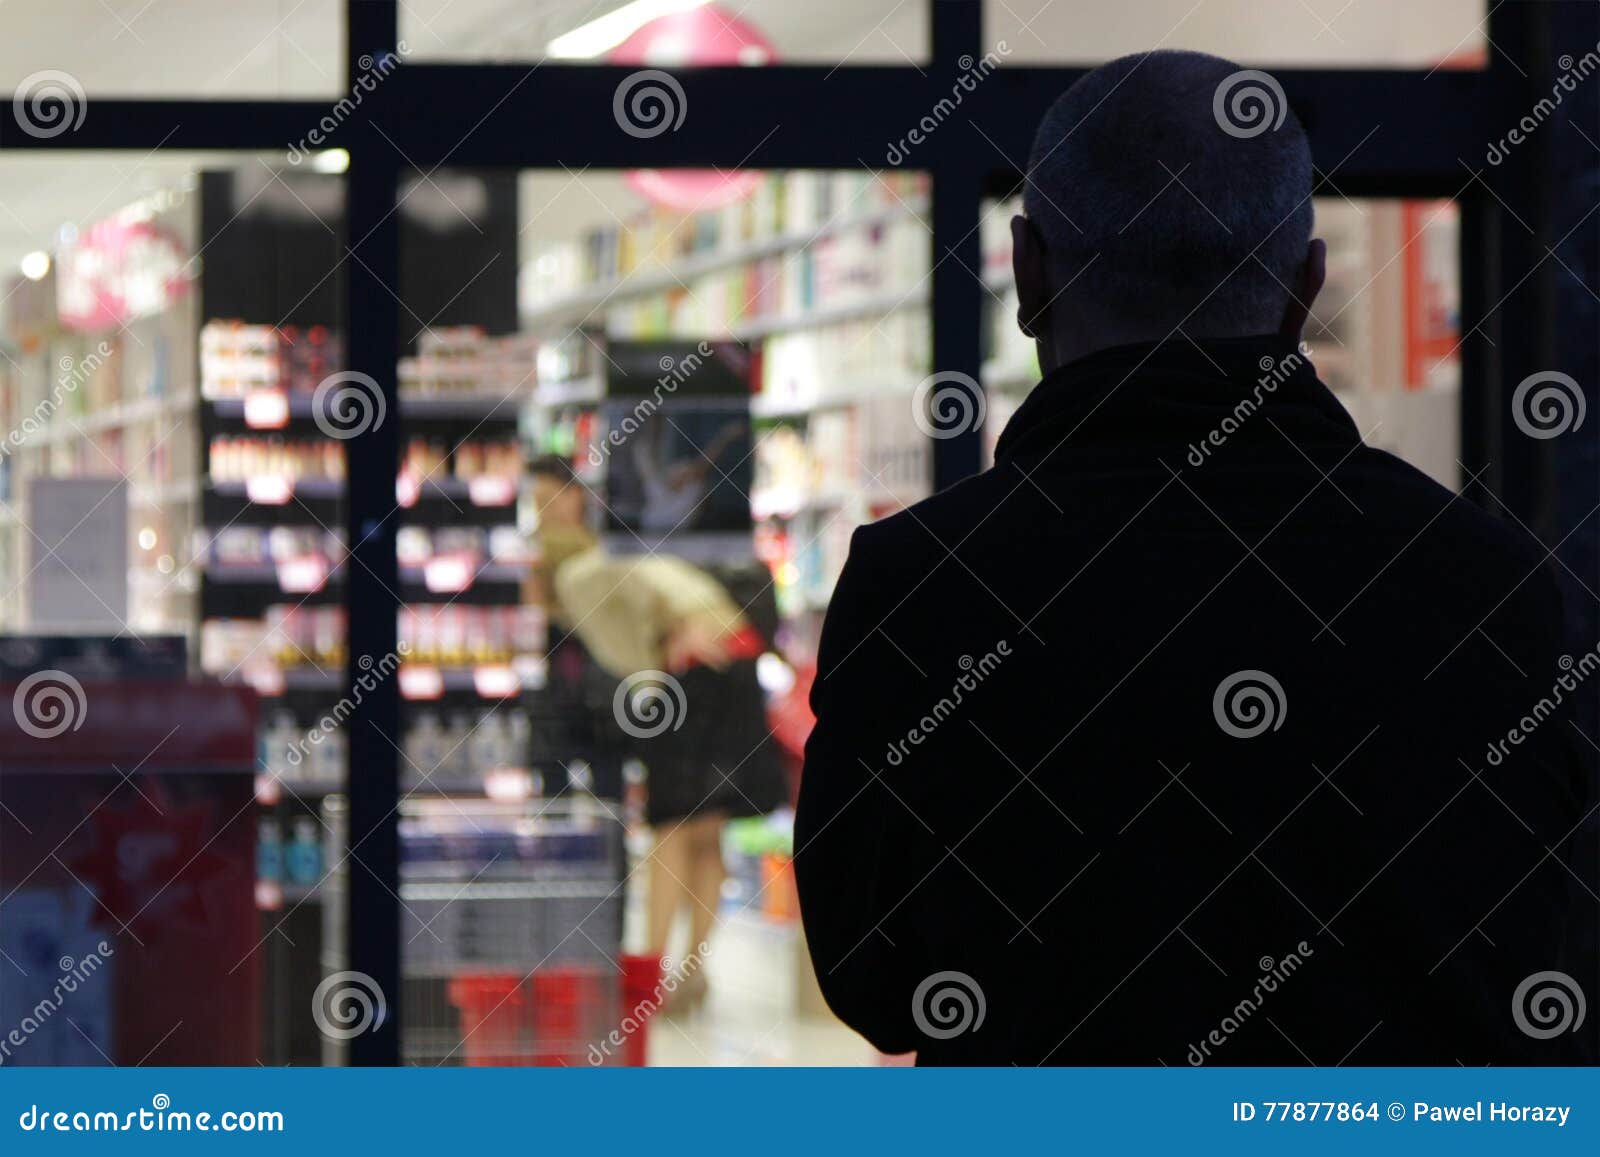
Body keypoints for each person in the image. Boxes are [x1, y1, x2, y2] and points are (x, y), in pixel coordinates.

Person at [794, 50, 1597, 1065]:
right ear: (1305, 284)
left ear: (1029, 275)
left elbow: (874, 978)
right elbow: (1547, 961)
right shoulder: (1488, 581)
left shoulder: (915, 587)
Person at [529, 456, 786, 1012]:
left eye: (552, 496)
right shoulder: (599, 549)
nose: (545, 509)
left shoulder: (597, 554)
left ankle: (660, 971)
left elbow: (639, 618)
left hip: (687, 684)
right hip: (713, 675)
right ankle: (683, 972)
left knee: (678, 827)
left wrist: (673, 631)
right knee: (693, 829)